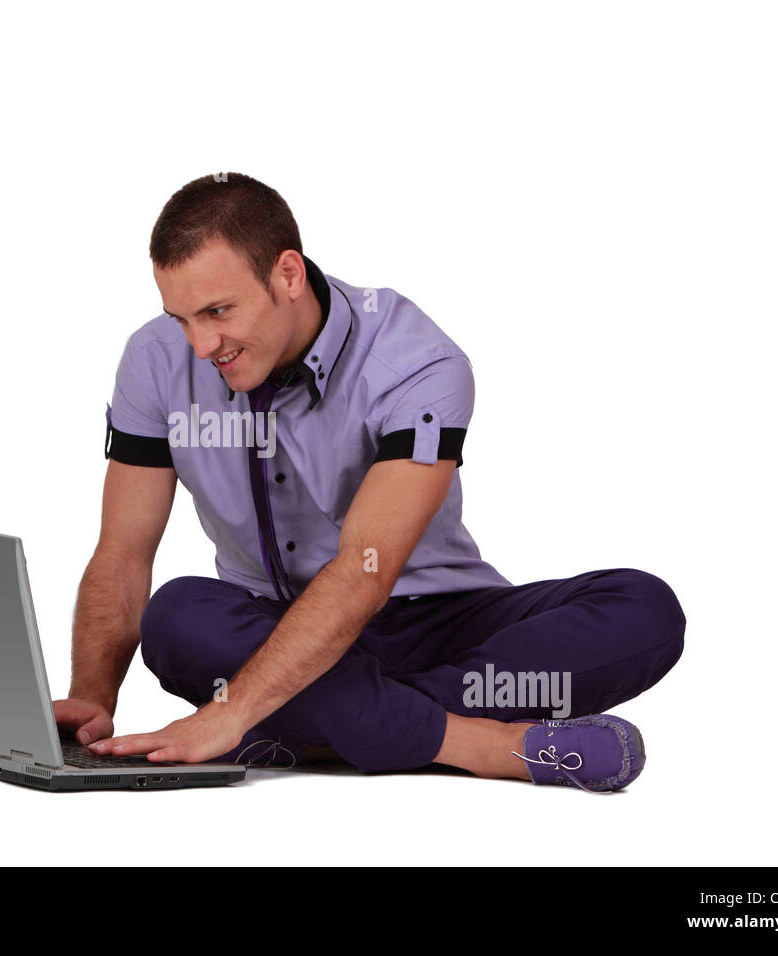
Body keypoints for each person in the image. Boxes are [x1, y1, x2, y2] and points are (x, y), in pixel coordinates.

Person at [51, 172, 685, 792]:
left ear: (288, 275)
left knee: (644, 608)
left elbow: (364, 569)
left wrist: (230, 712)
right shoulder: (153, 360)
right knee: (178, 616)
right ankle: (481, 744)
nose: (199, 344)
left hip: (436, 625)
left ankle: (321, 724)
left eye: (218, 311)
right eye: (181, 317)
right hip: (266, 625)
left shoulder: (416, 361)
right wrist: (91, 699)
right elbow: (123, 553)